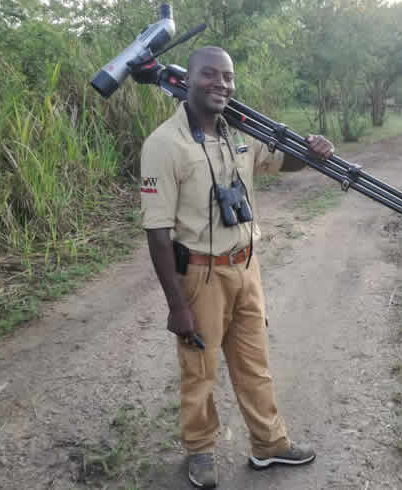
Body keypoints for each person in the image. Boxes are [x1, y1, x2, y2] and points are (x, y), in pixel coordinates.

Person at [138, 46, 334, 489]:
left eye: (227, 77)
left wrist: (316, 149)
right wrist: (176, 306)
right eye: (209, 75)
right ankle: (201, 451)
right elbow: (157, 232)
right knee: (199, 368)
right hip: (200, 276)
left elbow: (286, 161)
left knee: (254, 362)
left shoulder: (240, 132)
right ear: (186, 81)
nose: (220, 84)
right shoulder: (165, 144)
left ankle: (269, 445)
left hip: (246, 268)